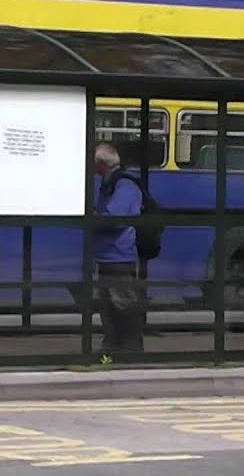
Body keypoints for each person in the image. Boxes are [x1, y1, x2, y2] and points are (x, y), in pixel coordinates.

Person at [92, 142, 144, 355]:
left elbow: (116, 220)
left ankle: (130, 347)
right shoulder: (109, 183)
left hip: (119, 257)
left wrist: (94, 219)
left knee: (123, 305)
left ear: (101, 164)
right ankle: (112, 345)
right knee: (107, 306)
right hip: (107, 257)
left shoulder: (124, 186)